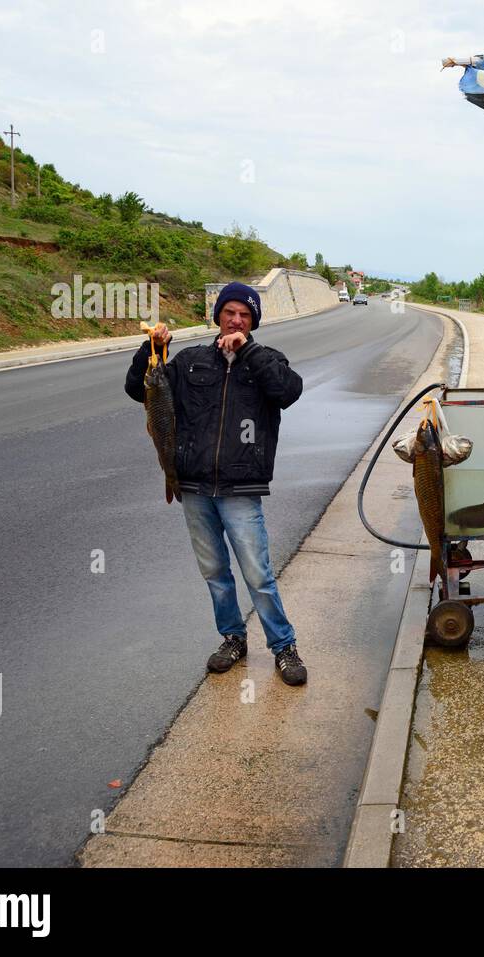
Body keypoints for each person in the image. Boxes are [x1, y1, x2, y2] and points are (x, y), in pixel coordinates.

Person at [124, 281, 308, 685]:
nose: (236, 319)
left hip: (241, 488)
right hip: (194, 487)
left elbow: (287, 391)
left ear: (253, 321)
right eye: (229, 312)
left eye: (244, 314)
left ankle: (284, 647)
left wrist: (248, 351)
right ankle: (232, 638)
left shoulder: (266, 360)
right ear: (218, 317)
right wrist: (150, 349)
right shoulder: (190, 361)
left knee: (258, 574)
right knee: (215, 572)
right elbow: (140, 389)